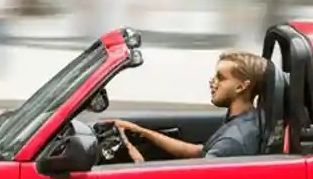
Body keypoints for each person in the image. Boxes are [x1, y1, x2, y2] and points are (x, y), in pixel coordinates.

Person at [113, 50, 268, 163]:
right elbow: (199, 152)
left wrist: (138, 164)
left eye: (220, 78)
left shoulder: (232, 142)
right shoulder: (246, 119)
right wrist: (141, 131)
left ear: (241, 87)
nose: (212, 81)